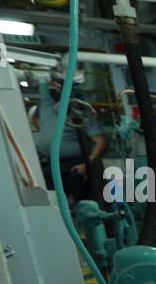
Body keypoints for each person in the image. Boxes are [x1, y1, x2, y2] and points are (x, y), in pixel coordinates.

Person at [35, 62, 108, 203]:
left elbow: (101, 142)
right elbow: (36, 118)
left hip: (74, 165)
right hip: (50, 164)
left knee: (82, 201)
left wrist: (86, 165)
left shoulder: (79, 109)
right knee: (47, 199)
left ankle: (86, 221)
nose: (54, 87)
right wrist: (47, 133)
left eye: (58, 84)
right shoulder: (46, 102)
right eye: (53, 83)